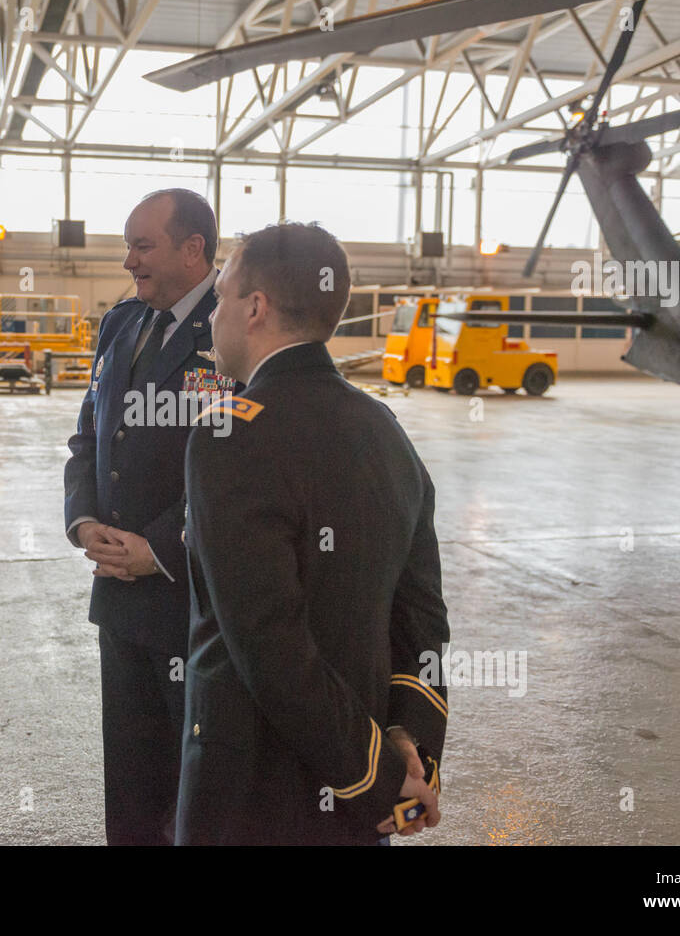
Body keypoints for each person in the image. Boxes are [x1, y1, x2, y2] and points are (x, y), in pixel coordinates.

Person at [176, 221, 450, 845]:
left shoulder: (231, 433)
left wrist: (376, 775)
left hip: (252, 793)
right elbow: (422, 618)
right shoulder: (384, 429)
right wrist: (410, 755)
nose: (211, 316)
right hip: (362, 799)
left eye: (219, 299)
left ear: (255, 308)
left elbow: (267, 640)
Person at [64, 188, 229, 845]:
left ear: (194, 249)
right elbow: (88, 433)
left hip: (189, 599)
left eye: (143, 245)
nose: (129, 261)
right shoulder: (121, 323)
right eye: (127, 245)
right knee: (130, 785)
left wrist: (157, 546)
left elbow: (230, 463)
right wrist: (82, 520)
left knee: (195, 789)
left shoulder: (232, 329)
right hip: (119, 600)